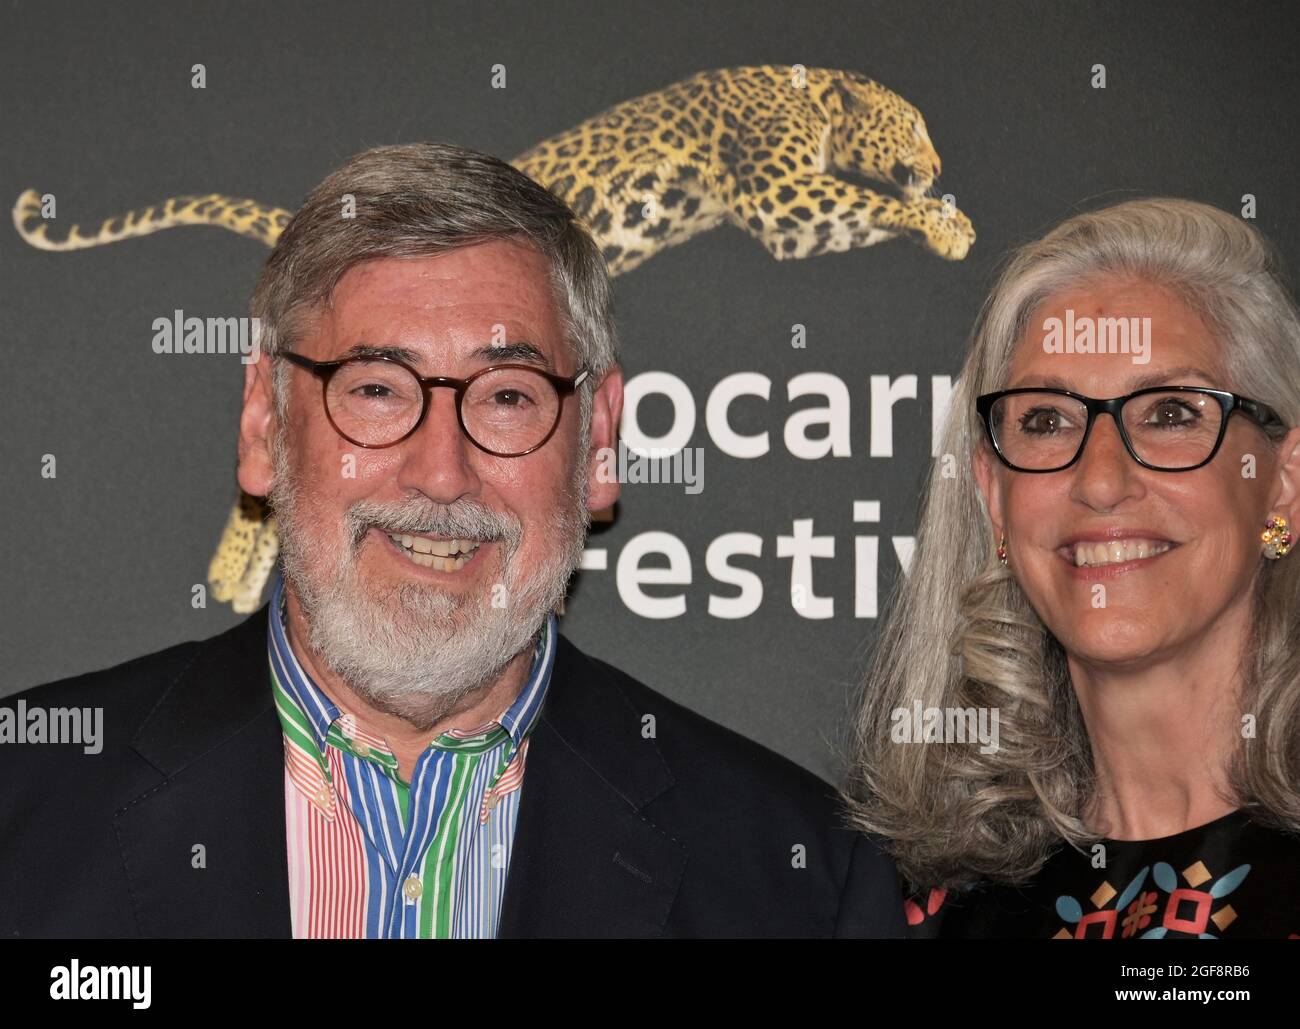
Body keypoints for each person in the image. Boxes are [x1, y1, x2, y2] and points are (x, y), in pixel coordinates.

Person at [1, 142, 904, 939]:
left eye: (508, 396)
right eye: (377, 389)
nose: (441, 472)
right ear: (262, 427)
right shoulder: (25, 807)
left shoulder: (799, 877)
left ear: (597, 444)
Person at [844, 197, 1300, 939]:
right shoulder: (920, 910)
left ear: (1282, 481)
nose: (1100, 480)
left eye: (1170, 412)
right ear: (994, 497)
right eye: (1047, 420)